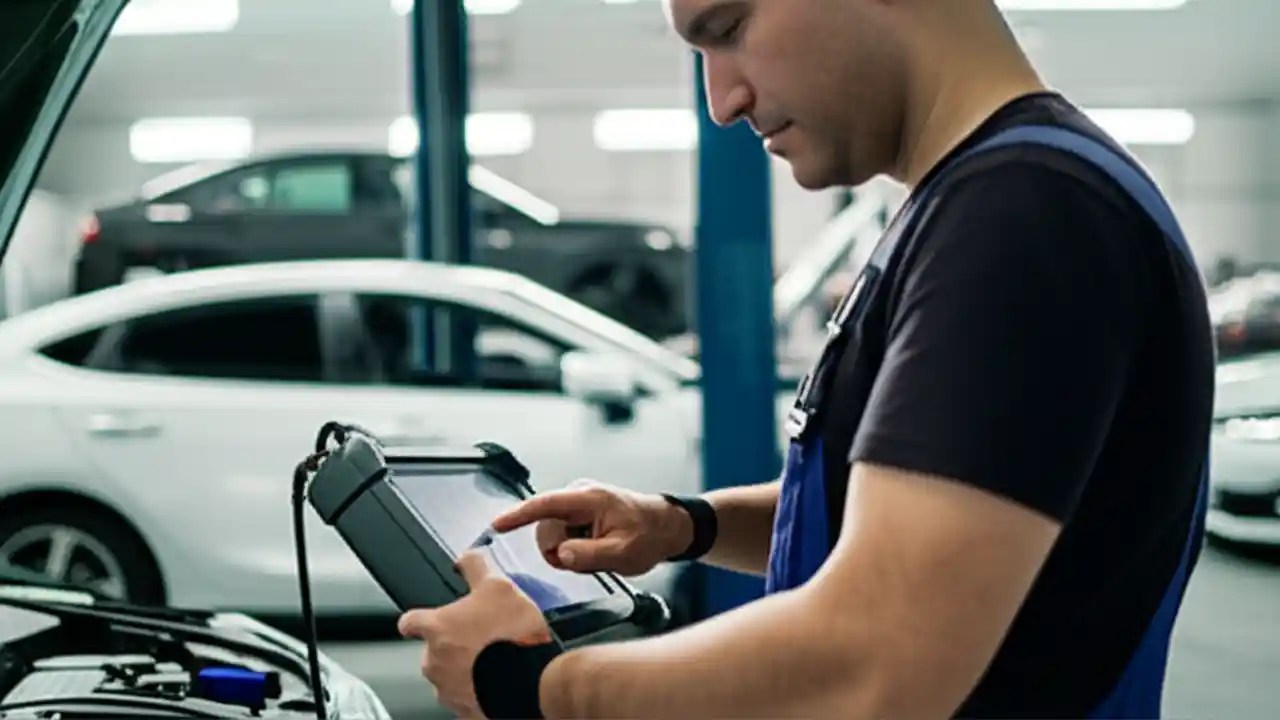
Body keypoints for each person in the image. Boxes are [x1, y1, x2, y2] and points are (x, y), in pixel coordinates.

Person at [396, 0, 1216, 717]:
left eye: (730, 28)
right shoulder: (988, 200)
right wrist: (682, 525)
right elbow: (911, 523)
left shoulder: (1023, 215)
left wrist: (537, 687)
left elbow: (873, 661)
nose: (721, 102)